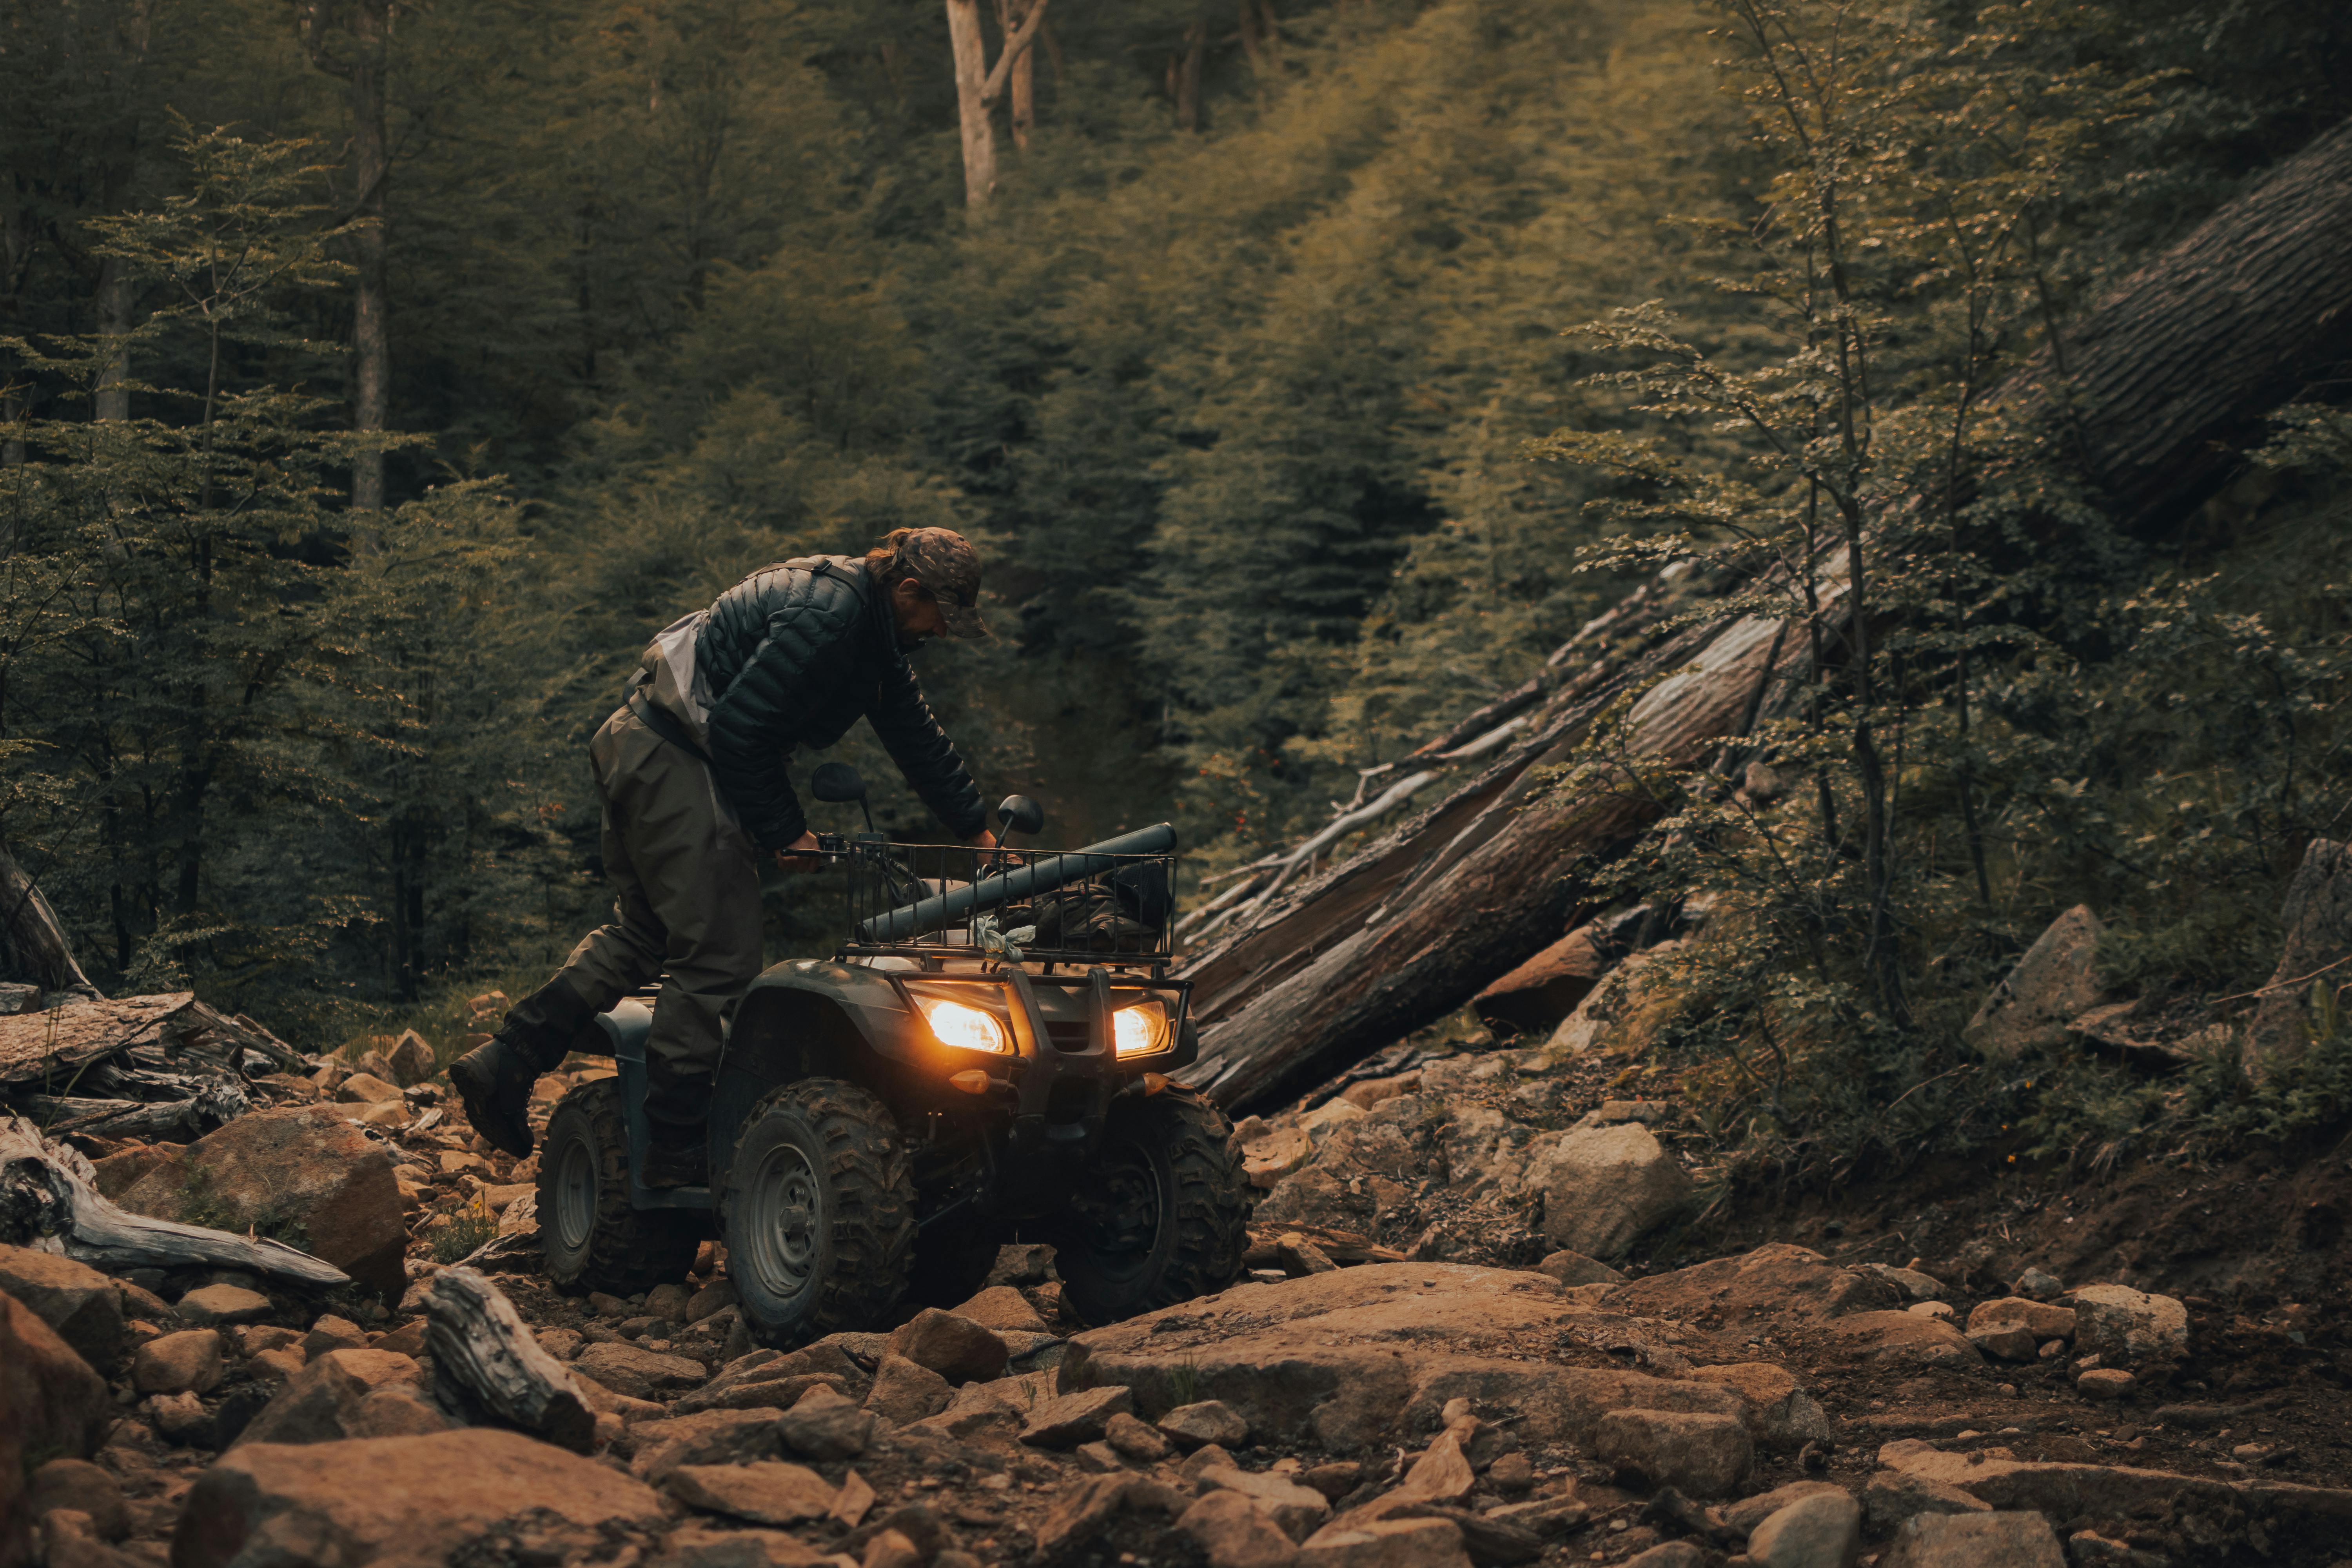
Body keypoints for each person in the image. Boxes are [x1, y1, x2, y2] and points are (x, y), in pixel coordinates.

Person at [450, 527, 998, 1185]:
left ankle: (505, 1062)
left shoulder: (872, 632)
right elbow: (741, 728)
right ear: (909, 590)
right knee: (717, 957)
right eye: (943, 615)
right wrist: (784, 831)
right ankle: (676, 1152)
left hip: (644, 745)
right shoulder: (831, 619)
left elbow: (915, 736)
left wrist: (978, 833)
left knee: (647, 932)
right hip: (673, 755)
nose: (944, 631)